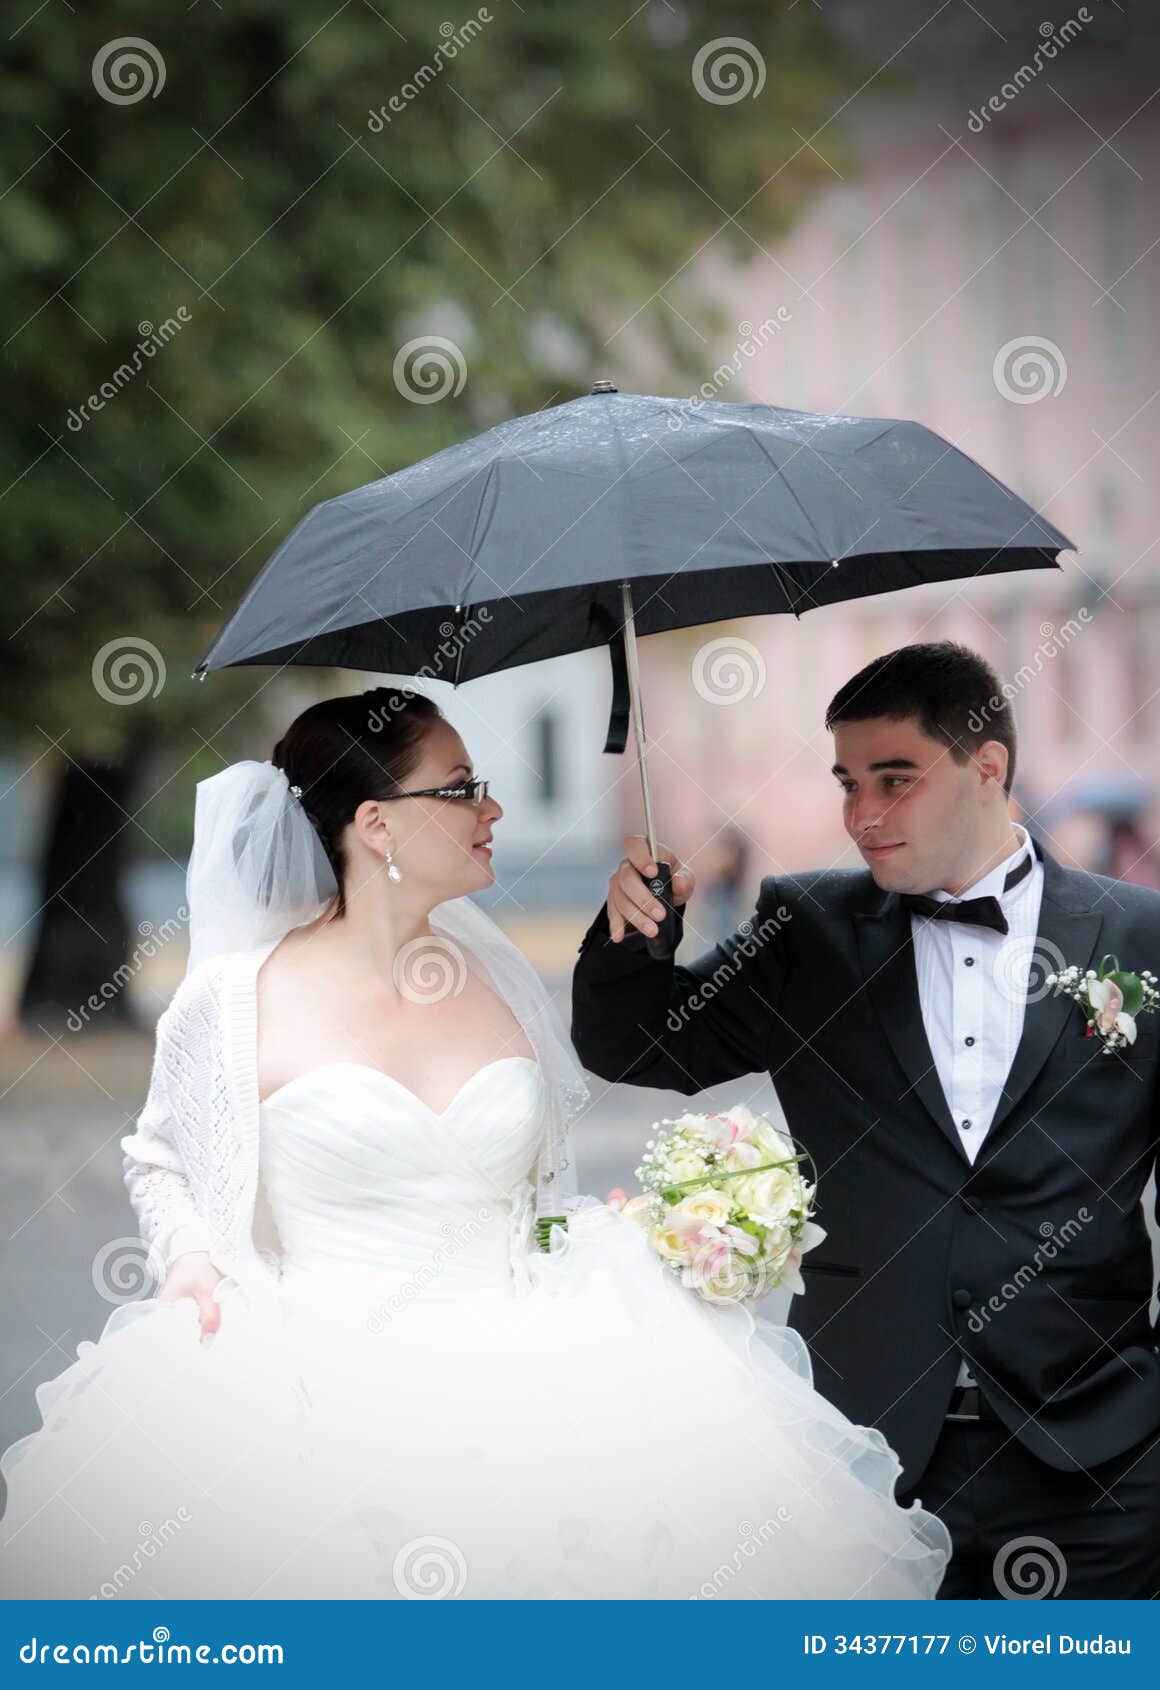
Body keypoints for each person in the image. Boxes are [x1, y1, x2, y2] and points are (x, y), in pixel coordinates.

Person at [0, 686, 949, 1601]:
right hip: (318, 1387)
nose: (489, 806)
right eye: (459, 788)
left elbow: (539, 1198)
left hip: (538, 1366)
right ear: (375, 825)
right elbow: (160, 1155)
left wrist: (607, 1235)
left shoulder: (499, 980)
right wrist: (191, 1262)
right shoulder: (234, 999)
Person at [572, 639, 1160, 1600]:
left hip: (1099, 1462)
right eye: (847, 783)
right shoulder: (808, 930)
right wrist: (636, 938)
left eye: (895, 780)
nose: (862, 816)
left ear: (988, 768)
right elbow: (642, 1048)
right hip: (862, 1457)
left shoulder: (1142, 935)